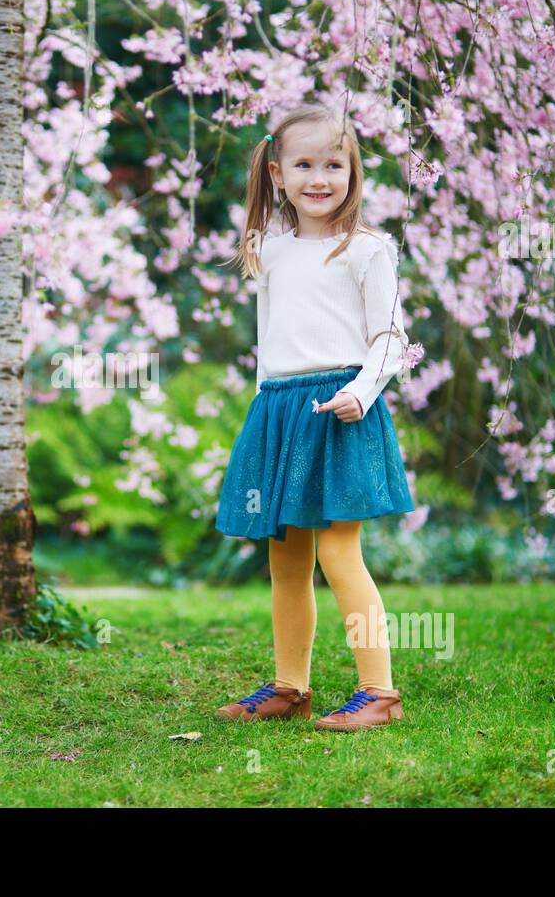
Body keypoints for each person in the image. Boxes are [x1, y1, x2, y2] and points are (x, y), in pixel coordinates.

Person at [212, 102, 418, 732]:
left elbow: (391, 336)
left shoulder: (366, 250)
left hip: (342, 409)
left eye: (335, 164)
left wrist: (364, 389)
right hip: (280, 410)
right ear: (278, 174)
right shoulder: (267, 250)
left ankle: (378, 692)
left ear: (353, 171)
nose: (320, 178)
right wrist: (260, 412)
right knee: (287, 560)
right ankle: (289, 687)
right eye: (304, 165)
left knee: (338, 554)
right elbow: (268, 340)